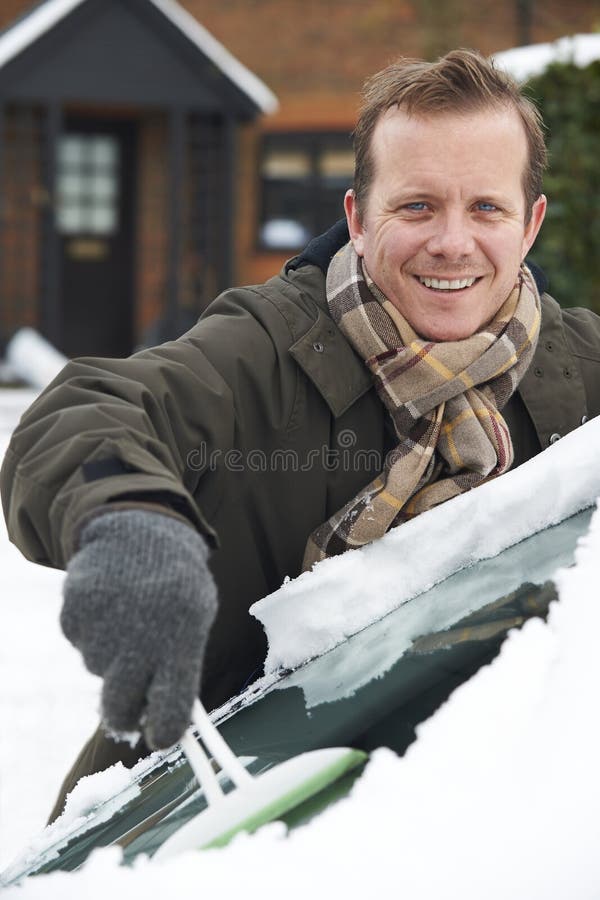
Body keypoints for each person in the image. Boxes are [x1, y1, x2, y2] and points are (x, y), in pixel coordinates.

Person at [2, 49, 599, 821]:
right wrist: (129, 524)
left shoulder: (580, 373)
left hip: (484, 816)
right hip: (209, 813)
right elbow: (87, 409)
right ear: (355, 218)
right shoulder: (267, 346)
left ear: (530, 225)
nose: (452, 242)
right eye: (416, 206)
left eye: (485, 208)